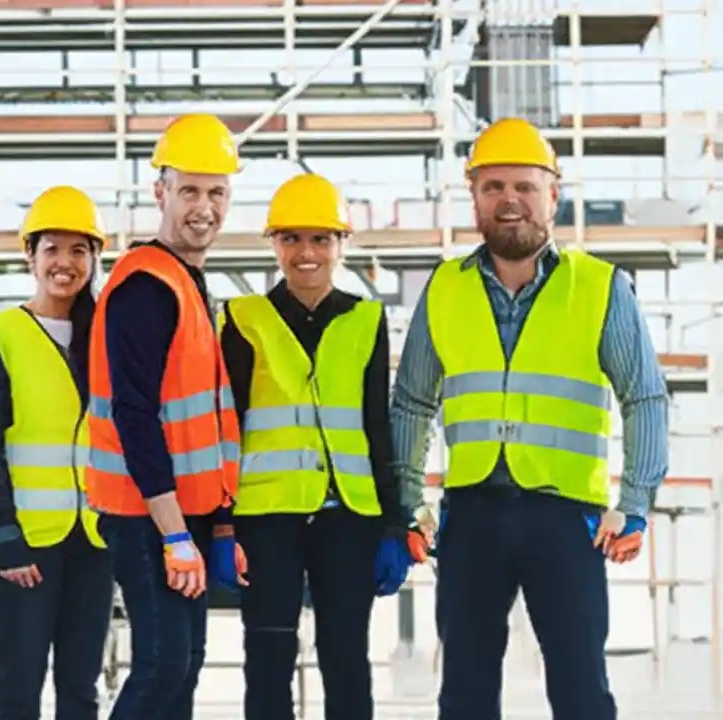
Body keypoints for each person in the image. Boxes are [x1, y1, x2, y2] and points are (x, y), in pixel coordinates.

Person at [391, 116, 668, 719]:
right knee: (463, 692)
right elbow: (412, 401)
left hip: (566, 518)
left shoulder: (600, 288)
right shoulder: (443, 288)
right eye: (493, 187)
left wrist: (637, 502)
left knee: (579, 690)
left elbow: (644, 396)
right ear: (474, 197)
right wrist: (409, 503)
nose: (509, 200)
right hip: (470, 517)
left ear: (553, 195)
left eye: (524, 186)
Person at [218, 172, 426, 720]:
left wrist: (392, 522)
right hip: (266, 516)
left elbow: (377, 425)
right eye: (290, 239)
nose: (305, 253)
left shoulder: (366, 320)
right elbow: (226, 427)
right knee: (267, 657)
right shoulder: (242, 320)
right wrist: (220, 523)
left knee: (347, 660)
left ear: (341, 245)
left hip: (350, 517)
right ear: (273, 245)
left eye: (320, 239)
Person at [86, 113, 246, 719]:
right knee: (162, 665)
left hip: (190, 515)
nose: (202, 208)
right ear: (160, 192)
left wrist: (218, 523)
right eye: (188, 191)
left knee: (185, 665)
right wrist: (175, 532)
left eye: (216, 192)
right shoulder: (146, 286)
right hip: (149, 516)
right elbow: (135, 414)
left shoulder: (189, 282)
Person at [0, 185, 115, 720]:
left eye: (79, 250)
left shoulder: (106, 338)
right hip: (22, 546)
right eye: (52, 248)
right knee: (20, 690)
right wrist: (6, 540)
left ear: (95, 258)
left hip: (93, 541)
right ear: (29, 255)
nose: (65, 263)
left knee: (82, 688)